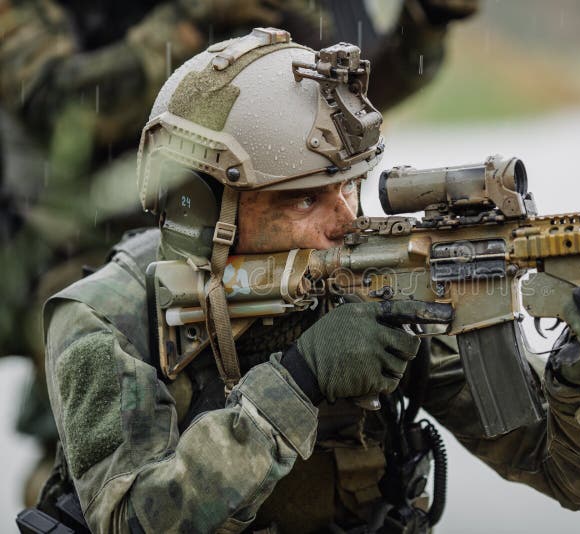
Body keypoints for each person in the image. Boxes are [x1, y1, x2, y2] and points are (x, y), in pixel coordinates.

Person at [37, 30, 580, 533]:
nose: (347, 219)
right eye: (306, 198)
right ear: (201, 209)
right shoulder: (110, 320)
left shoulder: (373, 284)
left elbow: (579, 482)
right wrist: (299, 381)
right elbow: (132, 522)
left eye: (350, 185)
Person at [0, 0, 478, 505]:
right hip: (78, 236)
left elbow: (335, 106)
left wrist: (423, 27)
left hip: (274, 223)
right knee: (94, 450)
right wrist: (191, 19)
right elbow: (60, 107)